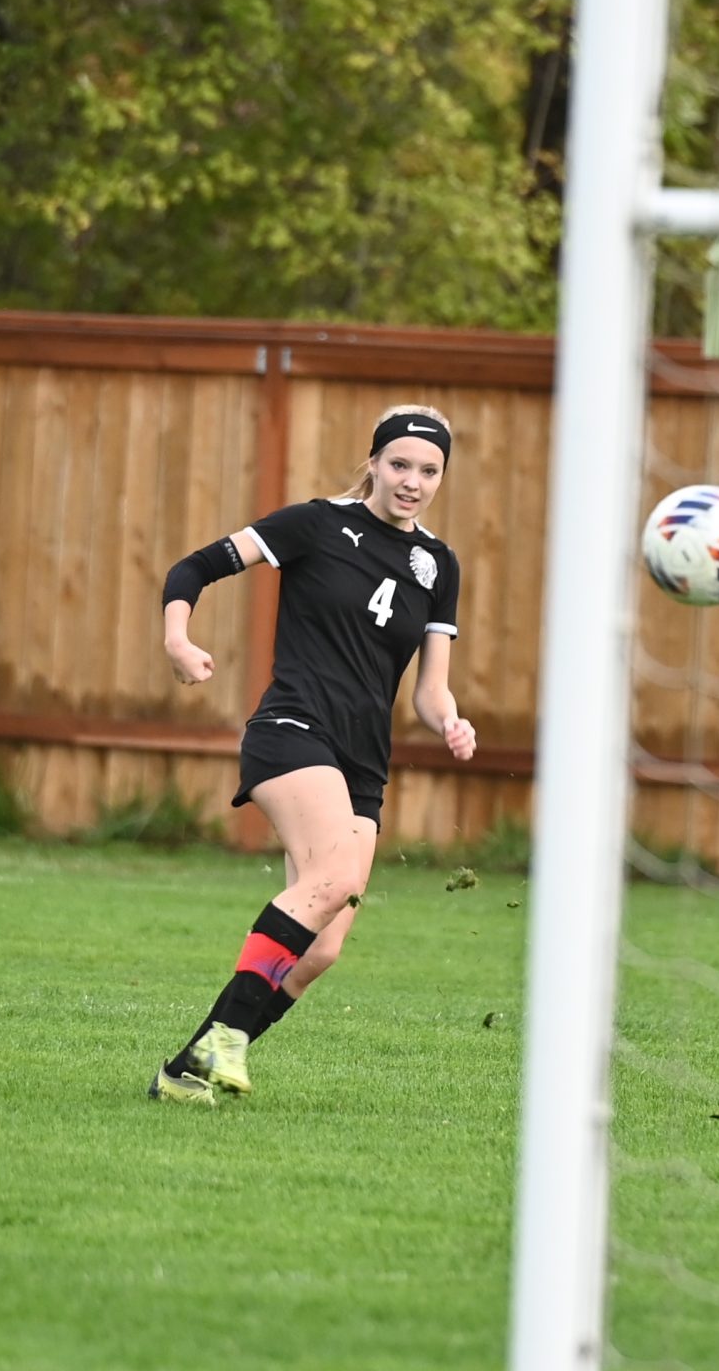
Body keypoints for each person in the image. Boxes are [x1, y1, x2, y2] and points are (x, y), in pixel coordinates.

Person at [149, 405, 477, 1105]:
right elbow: (195, 567)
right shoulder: (316, 524)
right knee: (327, 884)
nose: (412, 481)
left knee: (322, 947)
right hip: (293, 729)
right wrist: (178, 637)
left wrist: (451, 721)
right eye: (400, 465)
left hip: (363, 764)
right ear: (374, 462)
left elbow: (430, 691)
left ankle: (186, 1070)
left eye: (429, 470)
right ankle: (223, 1045)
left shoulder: (439, 565)